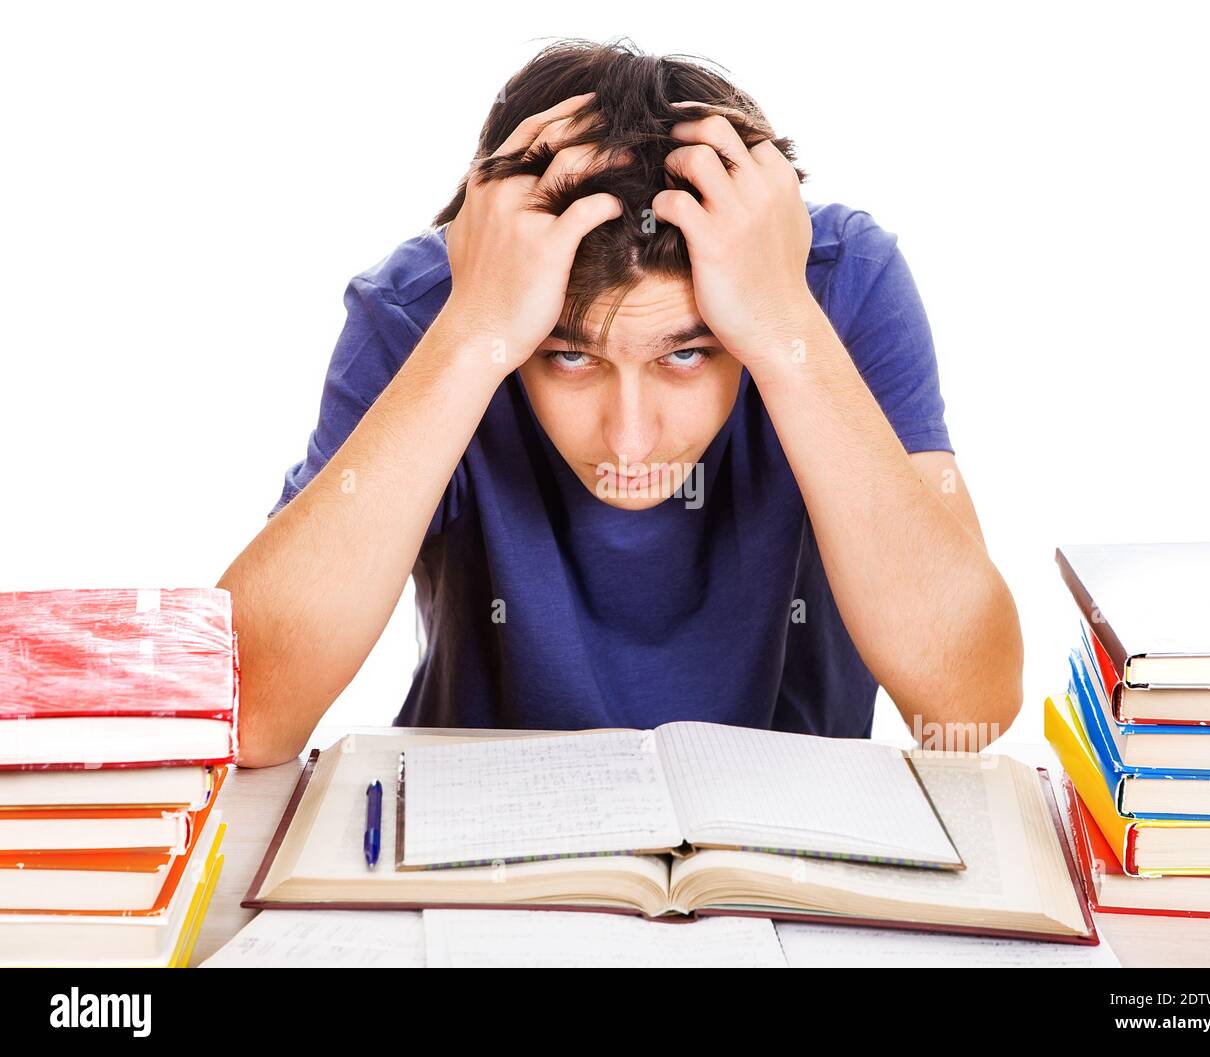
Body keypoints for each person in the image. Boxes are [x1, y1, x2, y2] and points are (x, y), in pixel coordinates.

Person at [219, 39, 1023, 767]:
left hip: (785, 881)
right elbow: (249, 714)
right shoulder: (432, 312)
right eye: (570, 355)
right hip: (481, 858)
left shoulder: (831, 292)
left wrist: (782, 331)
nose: (630, 441)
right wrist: (472, 335)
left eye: (686, 352)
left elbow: (970, 708)